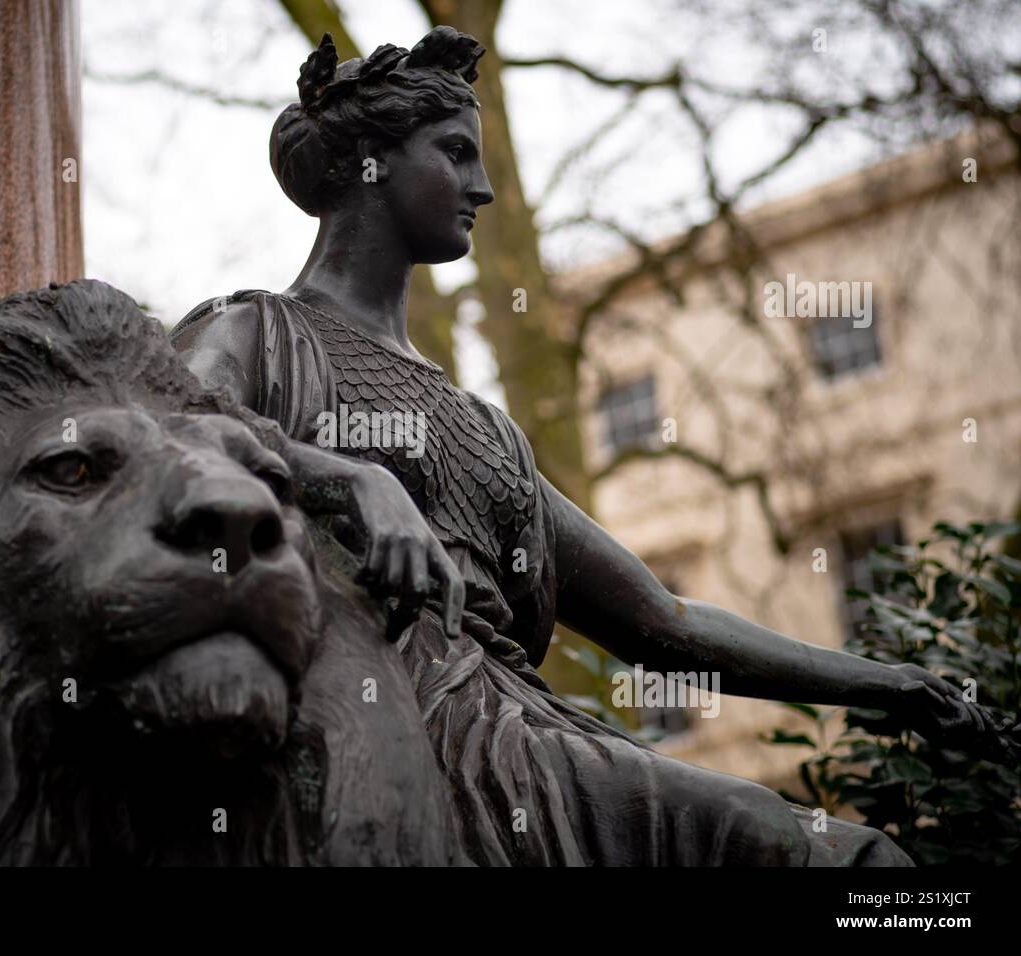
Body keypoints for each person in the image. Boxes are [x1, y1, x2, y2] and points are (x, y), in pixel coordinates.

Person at [170, 27, 1002, 864]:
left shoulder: (486, 430)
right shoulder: (255, 333)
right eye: (455, 153)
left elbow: (660, 621)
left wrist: (885, 685)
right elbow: (168, 432)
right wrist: (344, 480)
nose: (483, 187)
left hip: (522, 730)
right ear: (372, 164)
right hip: (390, 725)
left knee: (856, 861)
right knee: (833, 863)